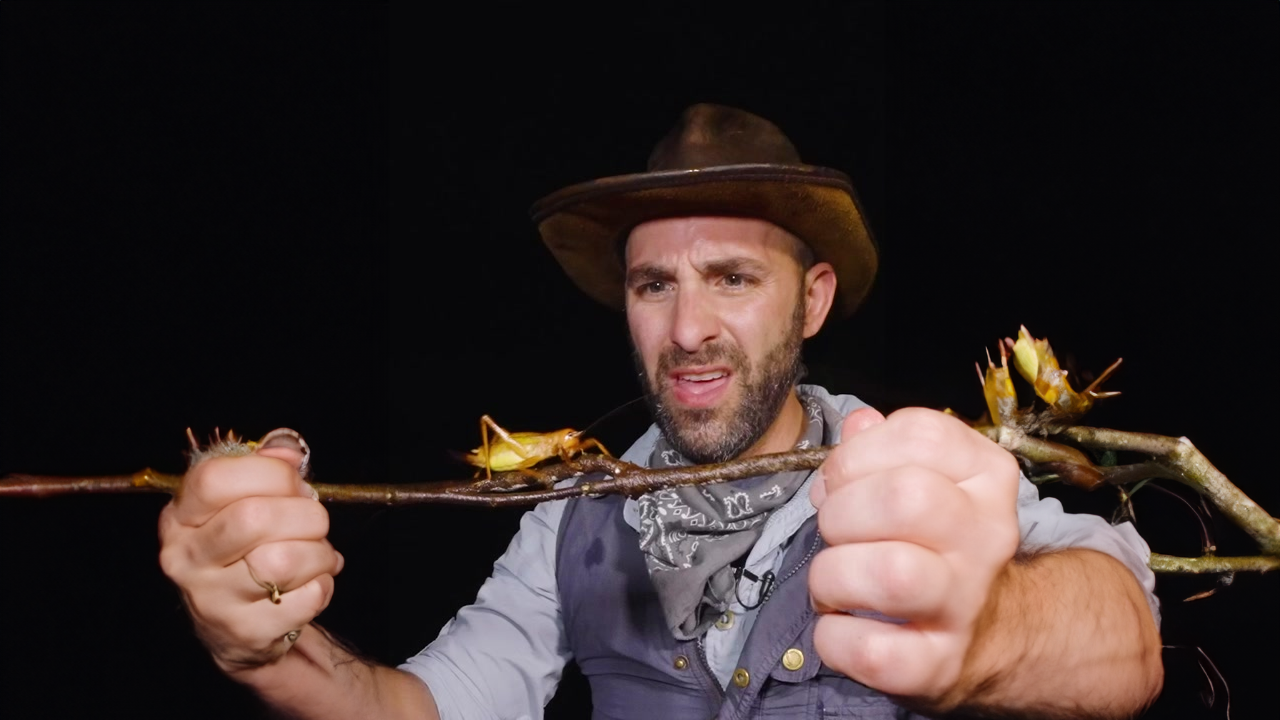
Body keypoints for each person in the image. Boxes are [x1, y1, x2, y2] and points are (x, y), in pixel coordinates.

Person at [159, 103, 1164, 719]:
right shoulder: (568, 518)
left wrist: (987, 630)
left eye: (730, 278)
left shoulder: (899, 468)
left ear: (810, 300)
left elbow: (1124, 643)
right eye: (651, 286)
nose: (686, 328)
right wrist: (268, 647)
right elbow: (416, 707)